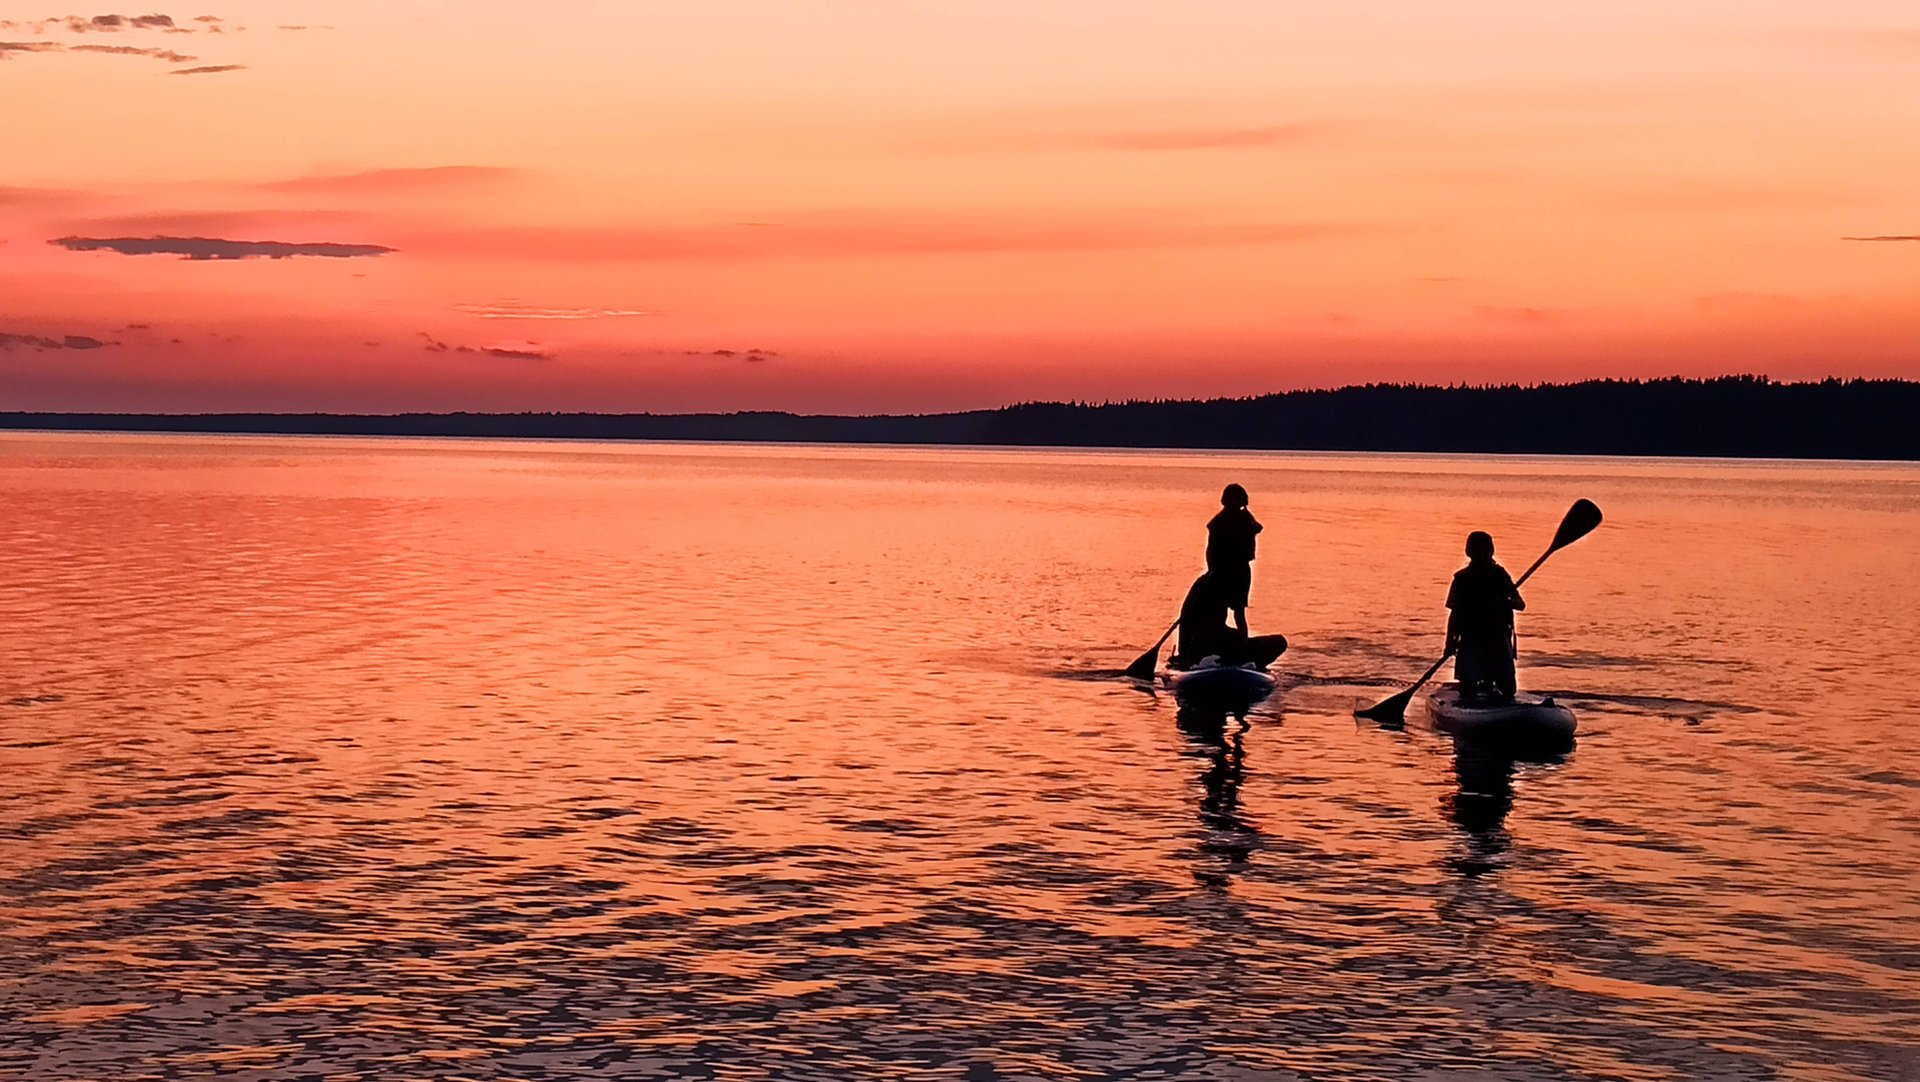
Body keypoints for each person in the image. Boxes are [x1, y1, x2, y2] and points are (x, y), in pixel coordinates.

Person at [1445, 530, 1526, 703]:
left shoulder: (1500, 576)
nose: (1482, 555)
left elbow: (1520, 604)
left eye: (1485, 550)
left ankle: (1492, 689)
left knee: (1508, 689)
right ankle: (1475, 694)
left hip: (1498, 638)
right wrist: (1449, 643)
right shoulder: (1462, 579)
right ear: (1469, 553)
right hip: (1470, 639)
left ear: (1491, 551)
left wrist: (1505, 602)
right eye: (1477, 551)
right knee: (1468, 688)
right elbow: (1454, 613)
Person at [1174, 572, 1287, 670]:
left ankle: (1235, 659)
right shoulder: (1227, 577)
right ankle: (1235, 661)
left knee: (1278, 642)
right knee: (1274, 643)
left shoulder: (1209, 579)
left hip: (1210, 640)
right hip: (1200, 644)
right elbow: (1239, 617)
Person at [1205, 483, 1263, 633]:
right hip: (1224, 571)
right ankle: (1226, 641)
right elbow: (1211, 549)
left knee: (1238, 611)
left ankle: (1242, 644)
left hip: (1238, 570)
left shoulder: (1244, 518)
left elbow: (1257, 528)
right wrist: (1211, 570)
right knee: (1222, 609)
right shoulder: (1221, 522)